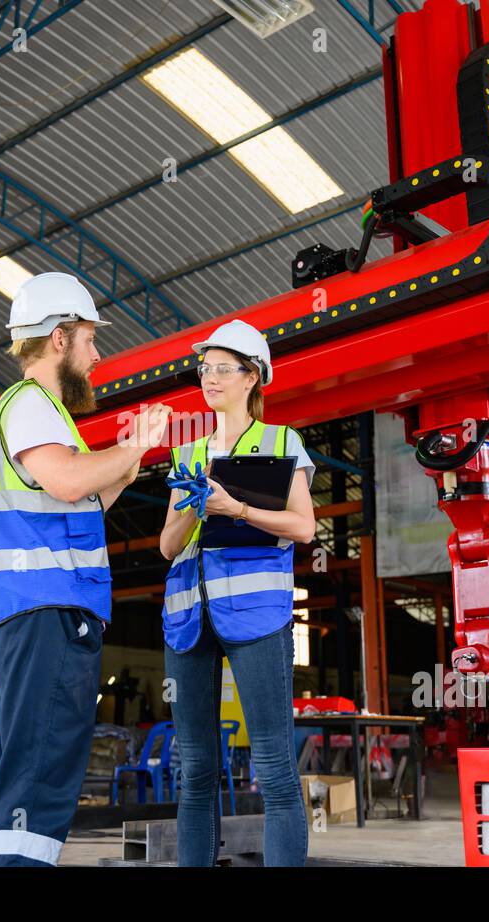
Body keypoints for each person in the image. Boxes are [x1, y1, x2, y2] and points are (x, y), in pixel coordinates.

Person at [0, 272, 171, 866]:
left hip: (30, 614)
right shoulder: (34, 405)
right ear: (59, 338)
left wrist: (124, 468)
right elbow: (66, 478)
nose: (97, 353)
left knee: (19, 765)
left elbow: (77, 501)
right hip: (48, 612)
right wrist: (136, 447)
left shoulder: (35, 414)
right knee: (43, 767)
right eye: (89, 338)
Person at [158, 319, 317, 866]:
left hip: (256, 613)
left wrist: (238, 509)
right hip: (187, 617)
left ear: (253, 377)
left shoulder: (280, 442)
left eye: (223, 368)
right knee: (195, 769)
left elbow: (304, 528)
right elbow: (166, 545)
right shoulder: (187, 454)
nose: (210, 378)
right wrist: (191, 508)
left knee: (273, 764)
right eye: (205, 369)